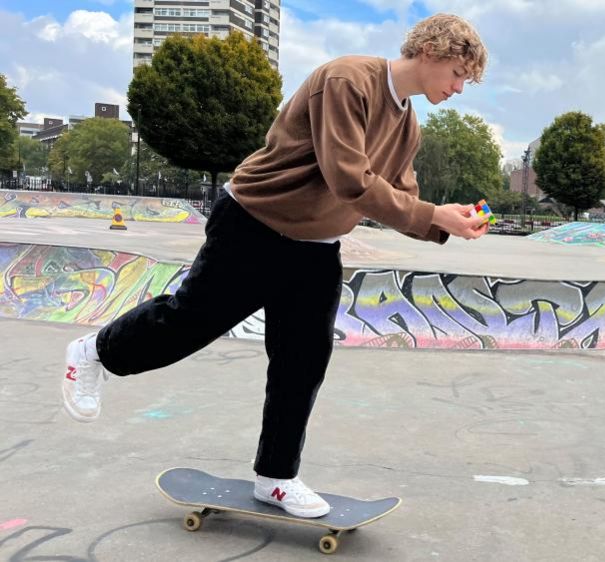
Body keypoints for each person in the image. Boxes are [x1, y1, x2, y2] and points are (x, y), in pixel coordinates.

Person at [61, 13, 489, 518]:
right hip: (254, 223)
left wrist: (445, 221)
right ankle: (95, 351)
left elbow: (400, 195)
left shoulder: (408, 125)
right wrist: (429, 216)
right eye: (459, 75)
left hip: (317, 247)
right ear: (433, 53)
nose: (460, 88)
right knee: (188, 322)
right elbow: (348, 179)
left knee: (302, 361)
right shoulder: (348, 81)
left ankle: (276, 477)